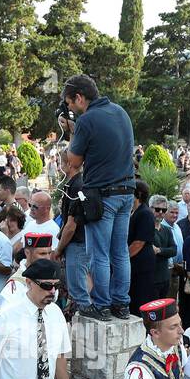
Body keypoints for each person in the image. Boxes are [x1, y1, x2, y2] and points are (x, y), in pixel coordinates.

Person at [61, 74, 136, 322]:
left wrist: (71, 132)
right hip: (127, 191)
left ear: (80, 97)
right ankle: (122, 304)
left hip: (103, 195)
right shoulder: (120, 111)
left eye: (71, 103)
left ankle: (103, 305)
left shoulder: (87, 120)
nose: (70, 108)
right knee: (120, 253)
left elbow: (73, 160)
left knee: (100, 254)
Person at [53, 169, 90, 317]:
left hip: (78, 243)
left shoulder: (77, 185)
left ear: (68, 163)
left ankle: (84, 325)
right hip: (78, 243)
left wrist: (59, 249)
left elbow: (71, 226)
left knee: (78, 292)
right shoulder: (74, 184)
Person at [0, 231, 56, 309]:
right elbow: (7, 315)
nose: (47, 258)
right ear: (27, 253)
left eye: (49, 253)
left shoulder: (52, 276)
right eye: (42, 254)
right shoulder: (16, 284)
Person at [127, 182, 158, 316]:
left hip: (142, 264)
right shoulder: (135, 212)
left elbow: (139, 242)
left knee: (140, 300)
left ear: (137, 194)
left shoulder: (145, 213)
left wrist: (122, 258)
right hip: (135, 264)